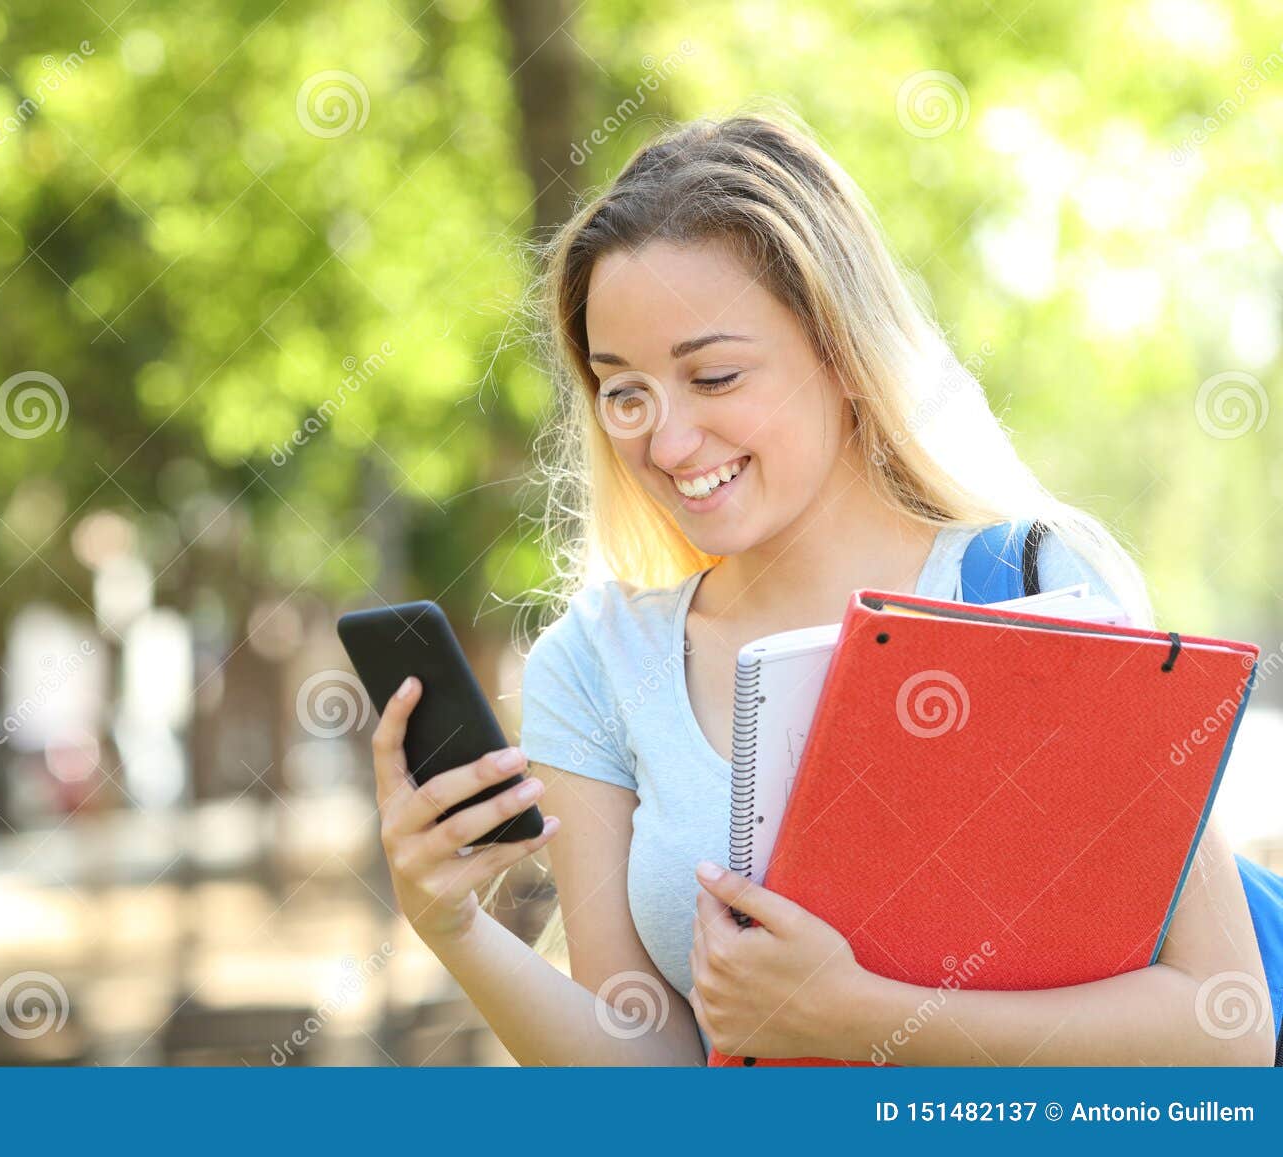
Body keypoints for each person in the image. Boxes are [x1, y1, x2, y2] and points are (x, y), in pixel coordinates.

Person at [367, 110, 1276, 1066]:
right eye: (624, 390)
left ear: (842, 354)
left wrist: (861, 1016)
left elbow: (1226, 1023)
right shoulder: (595, 664)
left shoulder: (1036, 591)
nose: (666, 444)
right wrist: (453, 925)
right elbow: (650, 1083)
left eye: (714, 376)